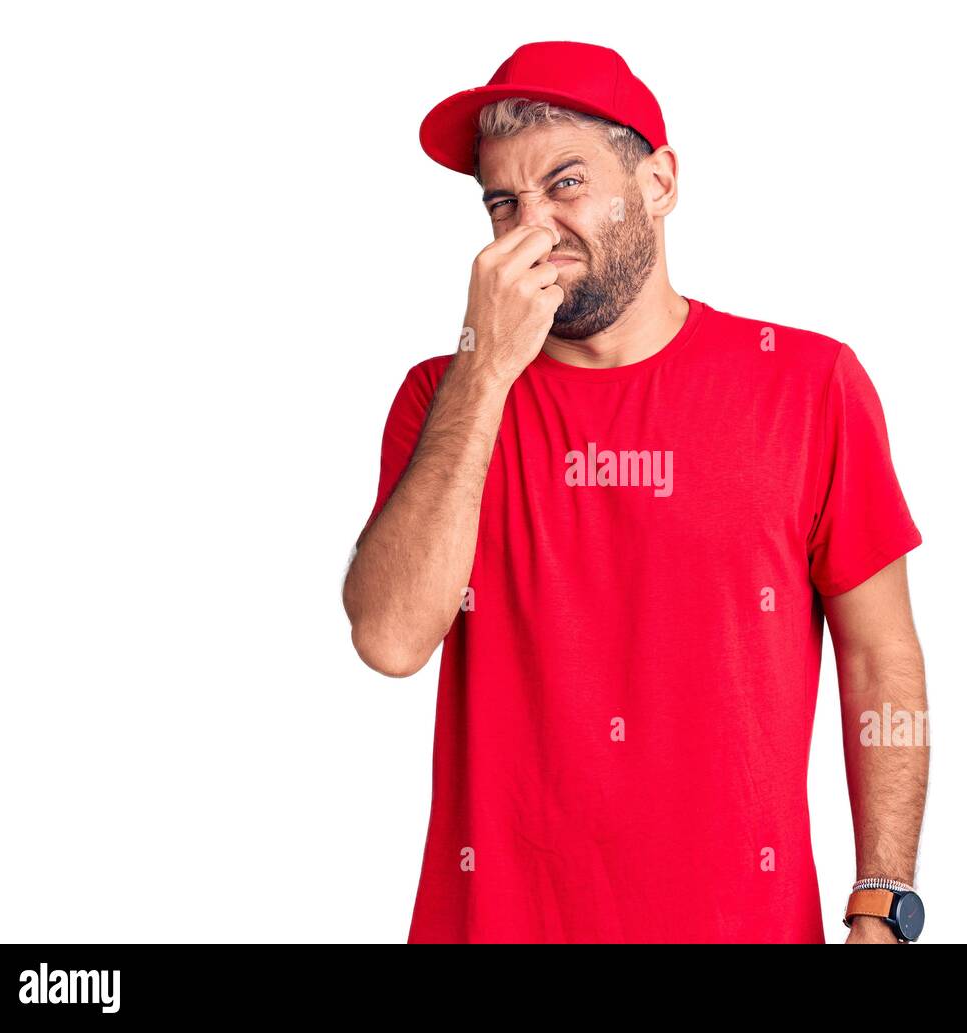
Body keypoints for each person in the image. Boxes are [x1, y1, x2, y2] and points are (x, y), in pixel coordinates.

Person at [342, 41, 929, 944]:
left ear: (657, 182)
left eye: (565, 184)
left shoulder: (809, 385)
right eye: (503, 202)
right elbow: (388, 637)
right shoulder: (443, 399)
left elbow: (879, 659)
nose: (529, 228)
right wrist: (483, 369)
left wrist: (882, 906)